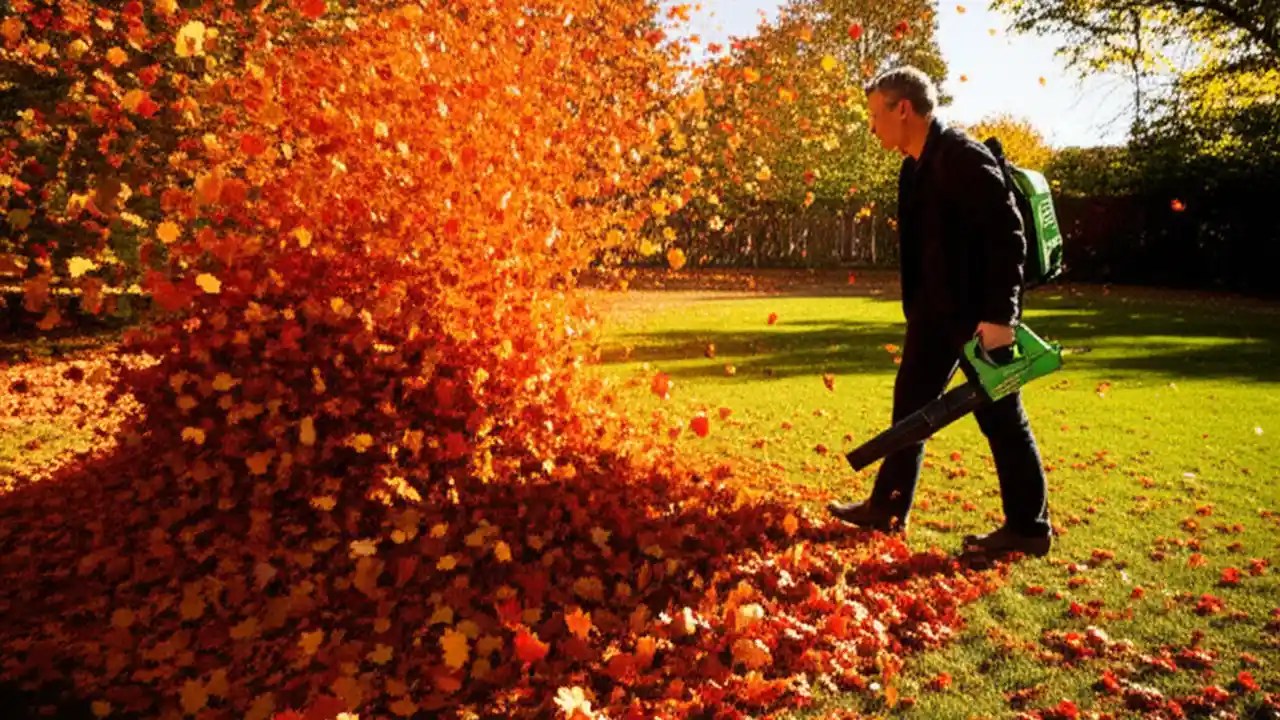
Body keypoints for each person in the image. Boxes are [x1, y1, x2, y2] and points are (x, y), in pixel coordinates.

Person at [827, 66, 1054, 557]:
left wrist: (1001, 318)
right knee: (909, 407)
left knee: (1002, 417)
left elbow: (1007, 239)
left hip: (978, 318)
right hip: (934, 318)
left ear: (902, 108)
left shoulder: (963, 158)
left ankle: (1029, 528)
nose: (871, 127)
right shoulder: (914, 167)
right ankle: (887, 508)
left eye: (875, 114)